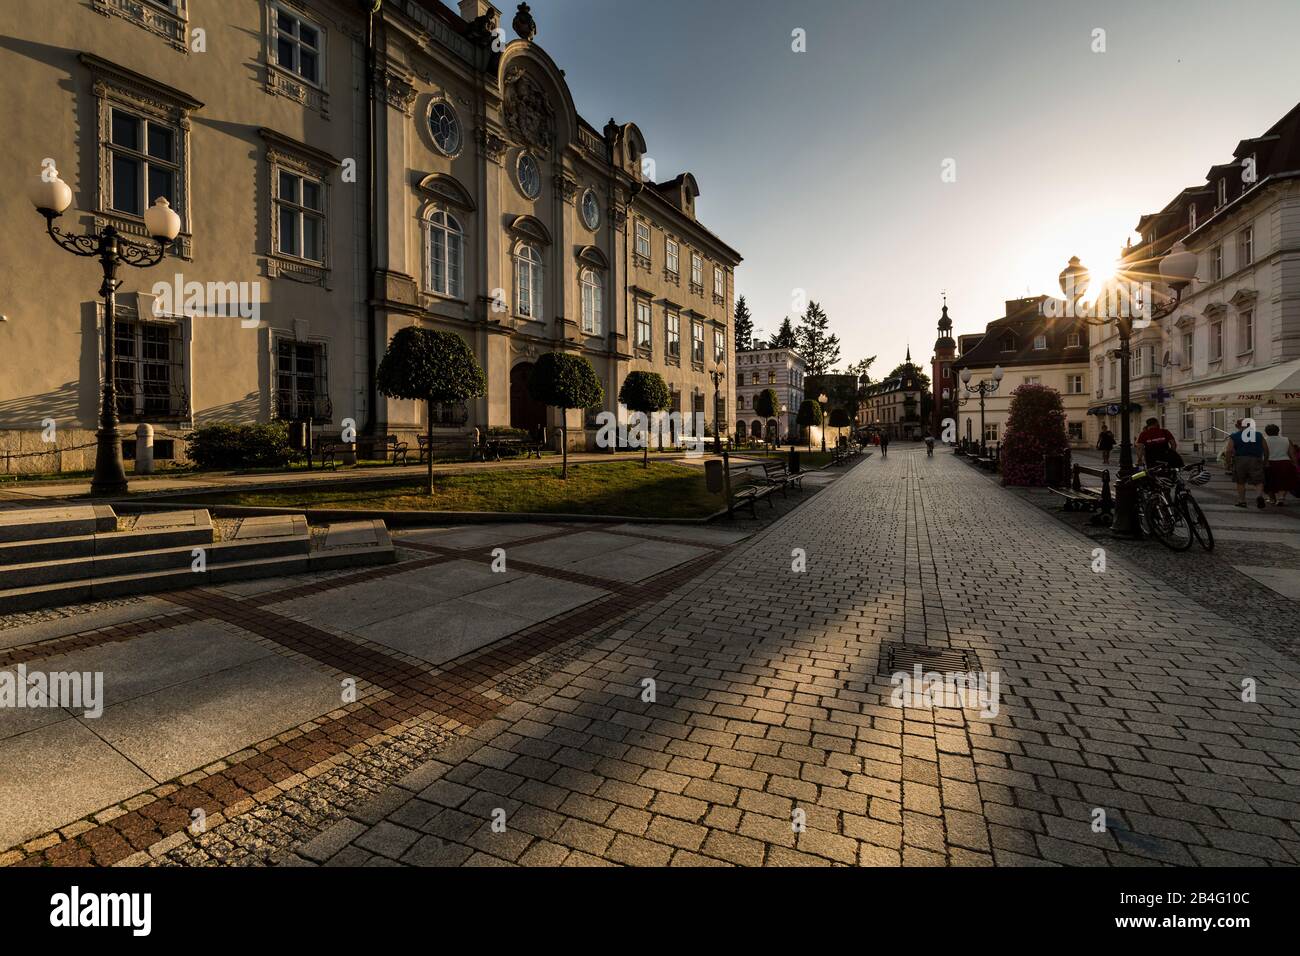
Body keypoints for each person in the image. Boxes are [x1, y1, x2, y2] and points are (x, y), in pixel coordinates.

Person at [1225, 418, 1268, 508]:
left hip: (1240, 460)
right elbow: (1266, 449)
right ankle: (1259, 496)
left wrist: (1228, 463)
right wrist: (1265, 460)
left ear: (1238, 426)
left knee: (1240, 481)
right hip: (1256, 459)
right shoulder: (1258, 435)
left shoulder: (1235, 436)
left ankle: (1242, 501)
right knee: (1258, 480)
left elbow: (1228, 450)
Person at [1263, 423, 1299, 506]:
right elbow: (1292, 453)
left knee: (1269, 482)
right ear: (1278, 431)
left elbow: (1262, 453)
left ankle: (1272, 499)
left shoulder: (1264, 440)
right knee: (1283, 481)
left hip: (1269, 463)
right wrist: (1296, 464)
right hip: (1284, 463)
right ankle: (1281, 498)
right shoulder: (1286, 440)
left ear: (1266, 432)